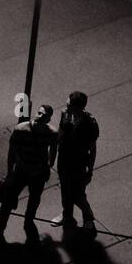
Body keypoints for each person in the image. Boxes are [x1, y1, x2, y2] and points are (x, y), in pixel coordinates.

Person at [0, 104, 57, 243]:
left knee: (33, 199)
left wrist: (49, 165)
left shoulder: (50, 133)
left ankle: (25, 221)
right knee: (8, 200)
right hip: (24, 171)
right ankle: (1, 226)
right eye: (39, 113)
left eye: (44, 115)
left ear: (48, 119)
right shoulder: (21, 129)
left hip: (32, 172)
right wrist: (9, 173)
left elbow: (53, 152)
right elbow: (11, 153)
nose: (40, 116)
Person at [52, 91, 99, 236]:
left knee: (78, 193)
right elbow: (60, 133)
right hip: (64, 160)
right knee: (65, 190)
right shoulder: (65, 114)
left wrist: (90, 169)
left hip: (78, 163)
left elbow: (92, 148)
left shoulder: (90, 123)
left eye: (69, 104)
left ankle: (88, 217)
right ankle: (67, 215)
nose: (66, 105)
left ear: (79, 107)